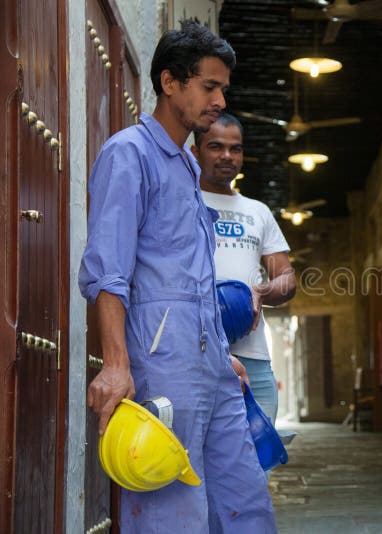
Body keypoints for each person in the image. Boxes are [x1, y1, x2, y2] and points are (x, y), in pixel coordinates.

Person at [79, 21, 277, 532]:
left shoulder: (188, 169)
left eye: (223, 90)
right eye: (209, 86)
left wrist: (218, 348)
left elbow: (187, 275)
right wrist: (117, 365)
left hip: (211, 365)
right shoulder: (130, 154)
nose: (218, 100)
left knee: (244, 499)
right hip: (160, 366)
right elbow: (108, 271)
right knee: (172, 508)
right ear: (170, 83)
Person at [193, 113, 296, 429]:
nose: (227, 155)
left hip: (254, 360)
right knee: (199, 464)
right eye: (216, 146)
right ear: (195, 151)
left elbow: (287, 279)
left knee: (256, 466)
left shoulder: (257, 211)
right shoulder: (183, 201)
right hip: (194, 353)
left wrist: (262, 291)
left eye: (235, 149)